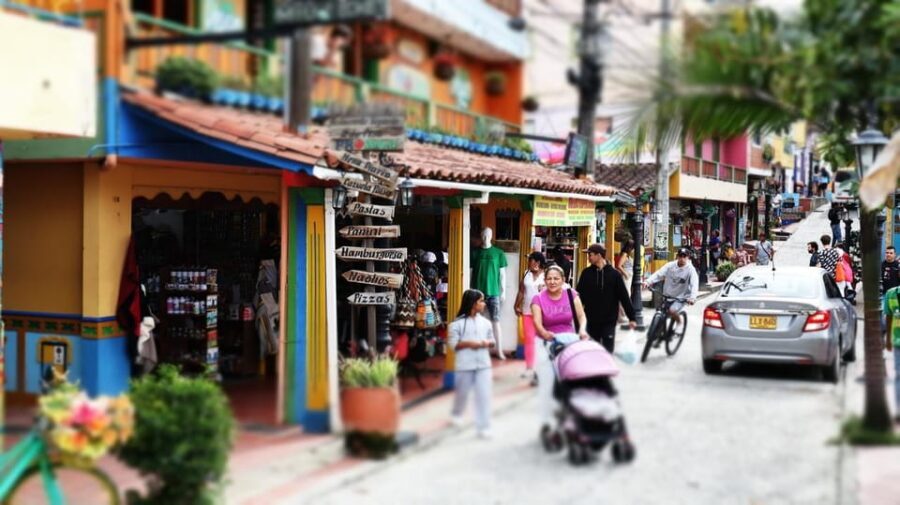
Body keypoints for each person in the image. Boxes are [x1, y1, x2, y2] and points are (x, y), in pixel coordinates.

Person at [530, 265, 590, 427]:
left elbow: (581, 316)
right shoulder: (538, 299)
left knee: (572, 380)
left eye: (556, 278)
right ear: (544, 280)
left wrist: (582, 330)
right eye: (549, 278)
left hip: (568, 341)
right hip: (546, 342)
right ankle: (546, 420)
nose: (552, 282)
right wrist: (544, 333)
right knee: (548, 382)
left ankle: (572, 415)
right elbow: (537, 322)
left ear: (563, 280)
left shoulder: (572, 295)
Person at [448, 289, 495, 439]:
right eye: (481, 301)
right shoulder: (457, 324)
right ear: (473, 303)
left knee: (483, 395)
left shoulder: (486, 323)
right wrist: (470, 343)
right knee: (462, 393)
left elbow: (492, 341)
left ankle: (483, 426)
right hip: (465, 364)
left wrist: (487, 343)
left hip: (483, 365)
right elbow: (453, 344)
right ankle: (457, 413)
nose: (484, 303)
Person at [576, 244, 636, 353]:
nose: (588, 257)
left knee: (608, 351)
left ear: (599, 255)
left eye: (590, 255)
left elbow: (624, 297)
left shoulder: (614, 275)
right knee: (592, 351)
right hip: (591, 320)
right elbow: (579, 297)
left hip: (609, 321)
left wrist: (632, 317)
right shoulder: (586, 273)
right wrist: (577, 317)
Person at [470, 227, 508, 359]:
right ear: (481, 236)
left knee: (496, 322)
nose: (486, 237)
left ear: (491, 236)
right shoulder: (475, 253)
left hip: (493, 293)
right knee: (476, 322)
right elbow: (470, 272)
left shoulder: (499, 253)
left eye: (488, 235)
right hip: (477, 293)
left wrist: (503, 291)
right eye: (483, 235)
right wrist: (468, 289)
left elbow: (503, 275)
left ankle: (499, 351)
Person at [643, 248, 699, 332]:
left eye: (684, 256)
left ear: (688, 257)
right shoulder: (670, 266)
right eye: (680, 256)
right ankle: (660, 332)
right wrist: (648, 282)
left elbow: (694, 284)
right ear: (677, 256)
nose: (682, 258)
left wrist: (693, 297)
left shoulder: (690, 269)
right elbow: (659, 274)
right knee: (660, 312)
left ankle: (679, 322)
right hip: (667, 295)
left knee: (672, 311)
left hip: (681, 297)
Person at [514, 252, 546, 384]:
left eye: (531, 261)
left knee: (540, 341)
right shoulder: (526, 273)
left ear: (538, 262)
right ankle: (529, 367)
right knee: (529, 340)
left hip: (541, 313)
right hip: (527, 311)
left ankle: (541, 367)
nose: (529, 263)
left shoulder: (546, 275)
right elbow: (522, 291)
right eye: (529, 261)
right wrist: (516, 304)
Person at [881, 284, 900, 423]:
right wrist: (887, 339)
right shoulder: (891, 294)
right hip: (898, 341)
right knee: (899, 375)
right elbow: (888, 317)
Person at [616, 240, 635, 323]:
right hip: (626, 277)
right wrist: (625, 274)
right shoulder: (625, 254)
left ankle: (622, 315)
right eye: (633, 248)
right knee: (625, 296)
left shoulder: (627, 255)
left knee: (627, 295)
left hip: (628, 278)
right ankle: (621, 316)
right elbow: (619, 266)